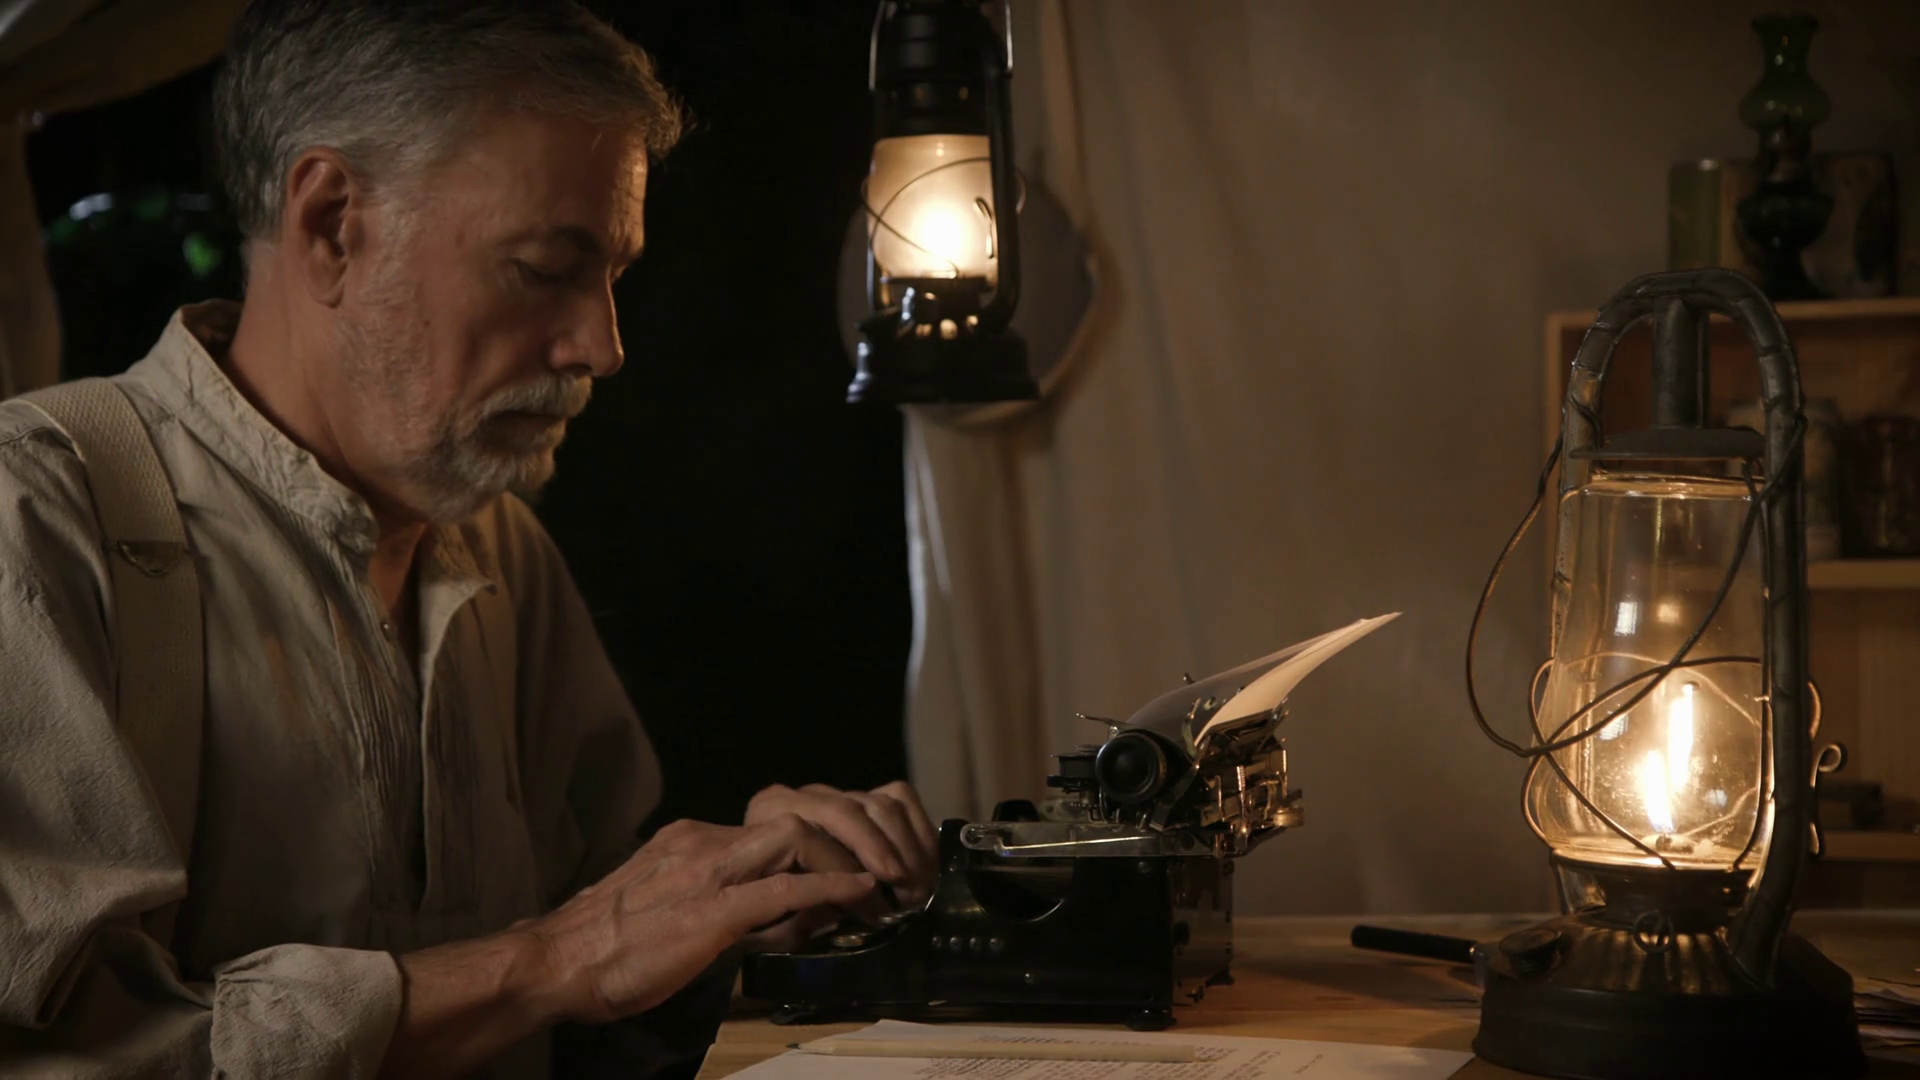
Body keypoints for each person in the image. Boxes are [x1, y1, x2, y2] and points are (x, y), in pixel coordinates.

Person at [0, 2, 937, 1076]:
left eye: (614, 279)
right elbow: (54, 1058)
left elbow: (597, 999)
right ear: (331, 223)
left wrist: (741, 912)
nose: (604, 346)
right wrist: (555, 958)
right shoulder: (31, 519)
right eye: (545, 268)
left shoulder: (497, 545)